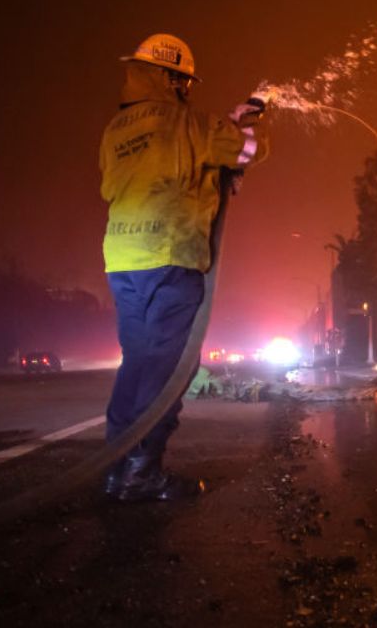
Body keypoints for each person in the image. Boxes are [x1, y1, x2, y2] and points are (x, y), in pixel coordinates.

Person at [99, 33, 268, 501]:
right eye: (185, 82)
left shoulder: (116, 129)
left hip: (122, 259)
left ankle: (115, 468)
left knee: (136, 364)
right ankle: (140, 472)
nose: (187, 90)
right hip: (171, 256)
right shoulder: (188, 122)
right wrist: (244, 121)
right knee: (169, 370)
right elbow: (247, 151)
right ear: (174, 79)